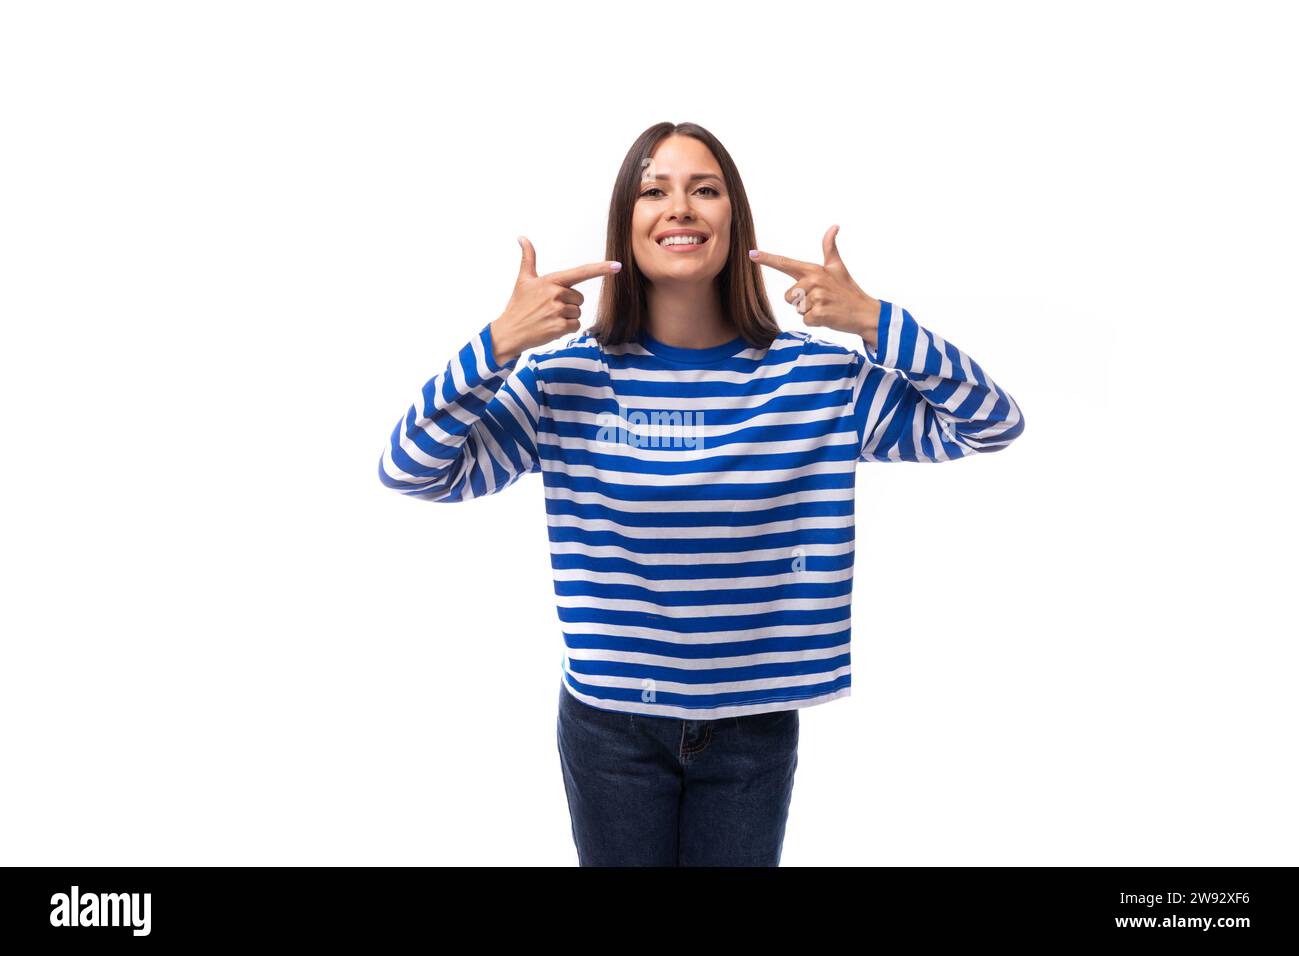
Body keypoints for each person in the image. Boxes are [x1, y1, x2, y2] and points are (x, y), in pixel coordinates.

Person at [377, 122, 1025, 866]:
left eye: (704, 189)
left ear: (733, 220)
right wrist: (495, 346)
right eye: (655, 190)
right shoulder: (564, 381)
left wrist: (876, 322)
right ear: (626, 223)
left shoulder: (819, 379)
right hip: (609, 727)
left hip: (754, 725)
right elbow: (412, 468)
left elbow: (989, 424)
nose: (679, 207)